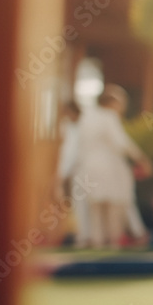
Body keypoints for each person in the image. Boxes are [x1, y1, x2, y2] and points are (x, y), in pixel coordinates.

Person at [78, 85, 153, 249]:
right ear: (113, 103)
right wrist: (141, 158)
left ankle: (97, 242)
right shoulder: (109, 116)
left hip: (88, 167)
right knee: (113, 206)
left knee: (95, 207)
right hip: (108, 167)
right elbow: (121, 143)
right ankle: (113, 242)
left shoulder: (86, 117)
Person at [54, 100, 92, 248]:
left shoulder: (84, 125)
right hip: (79, 170)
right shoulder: (70, 127)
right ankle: (83, 236)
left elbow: (70, 152)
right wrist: (61, 174)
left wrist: (61, 174)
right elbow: (69, 153)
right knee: (80, 204)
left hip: (88, 168)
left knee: (87, 204)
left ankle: (87, 237)